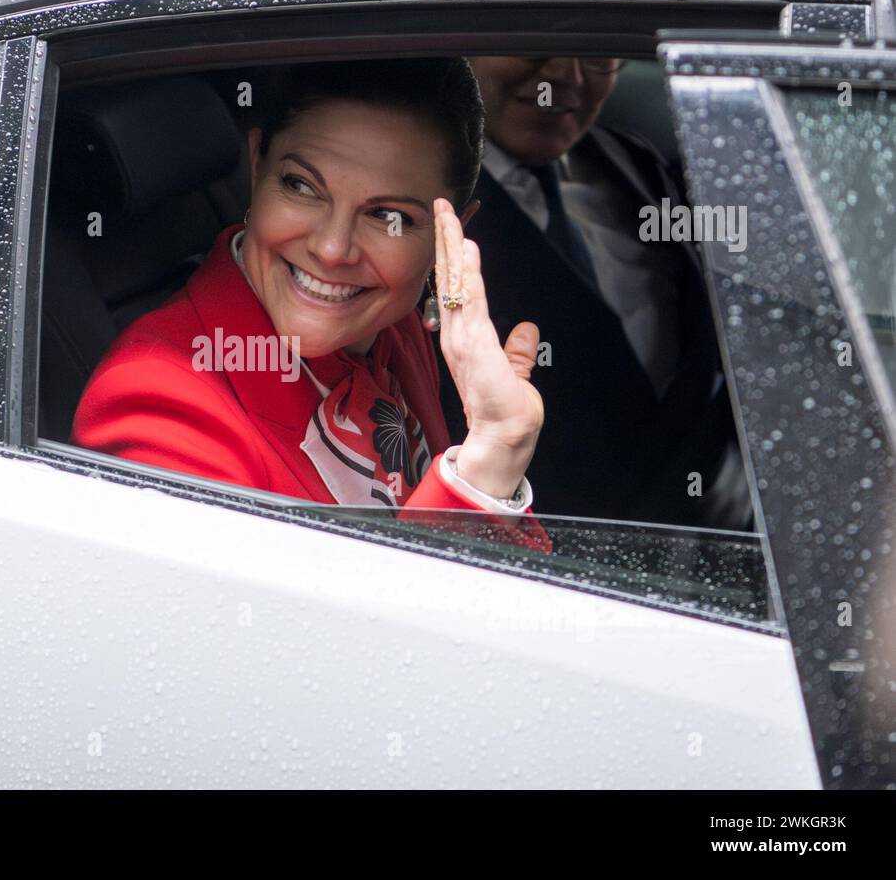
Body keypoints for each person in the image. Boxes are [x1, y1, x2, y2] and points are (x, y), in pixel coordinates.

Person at [72, 59, 548, 547]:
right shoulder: (157, 407)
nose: (331, 249)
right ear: (257, 167)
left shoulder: (395, 321)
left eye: (389, 216)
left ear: (452, 233)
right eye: (301, 186)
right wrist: (490, 458)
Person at [448, 55, 753, 529]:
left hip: (716, 520)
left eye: (596, 54)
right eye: (535, 42)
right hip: (555, 549)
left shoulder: (632, 161)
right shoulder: (428, 196)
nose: (566, 77)